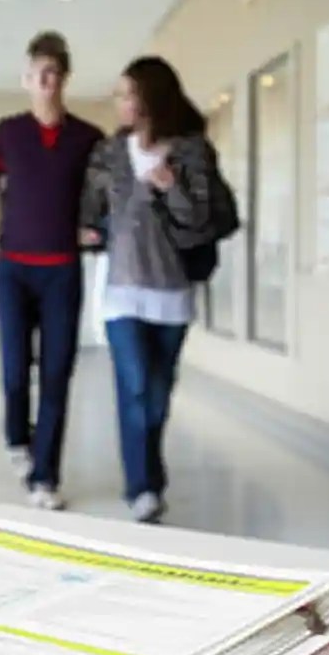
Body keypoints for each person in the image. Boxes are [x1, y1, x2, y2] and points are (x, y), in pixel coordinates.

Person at [80, 56, 221, 523]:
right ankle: (142, 487)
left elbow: (201, 222)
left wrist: (170, 188)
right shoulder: (108, 153)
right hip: (122, 292)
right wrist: (89, 231)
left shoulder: (192, 152)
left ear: (149, 97)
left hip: (172, 294)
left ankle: (148, 477)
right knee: (136, 386)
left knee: (157, 395)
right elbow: (89, 209)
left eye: (127, 94)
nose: (120, 102)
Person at [0, 31, 104, 510]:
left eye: (54, 74)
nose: (46, 82)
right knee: (15, 372)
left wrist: (96, 230)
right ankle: (18, 437)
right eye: (38, 75)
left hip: (62, 271)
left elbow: (104, 196)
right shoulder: (6, 134)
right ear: (26, 79)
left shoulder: (87, 139)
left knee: (56, 373)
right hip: (14, 268)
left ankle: (45, 476)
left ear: (65, 78)